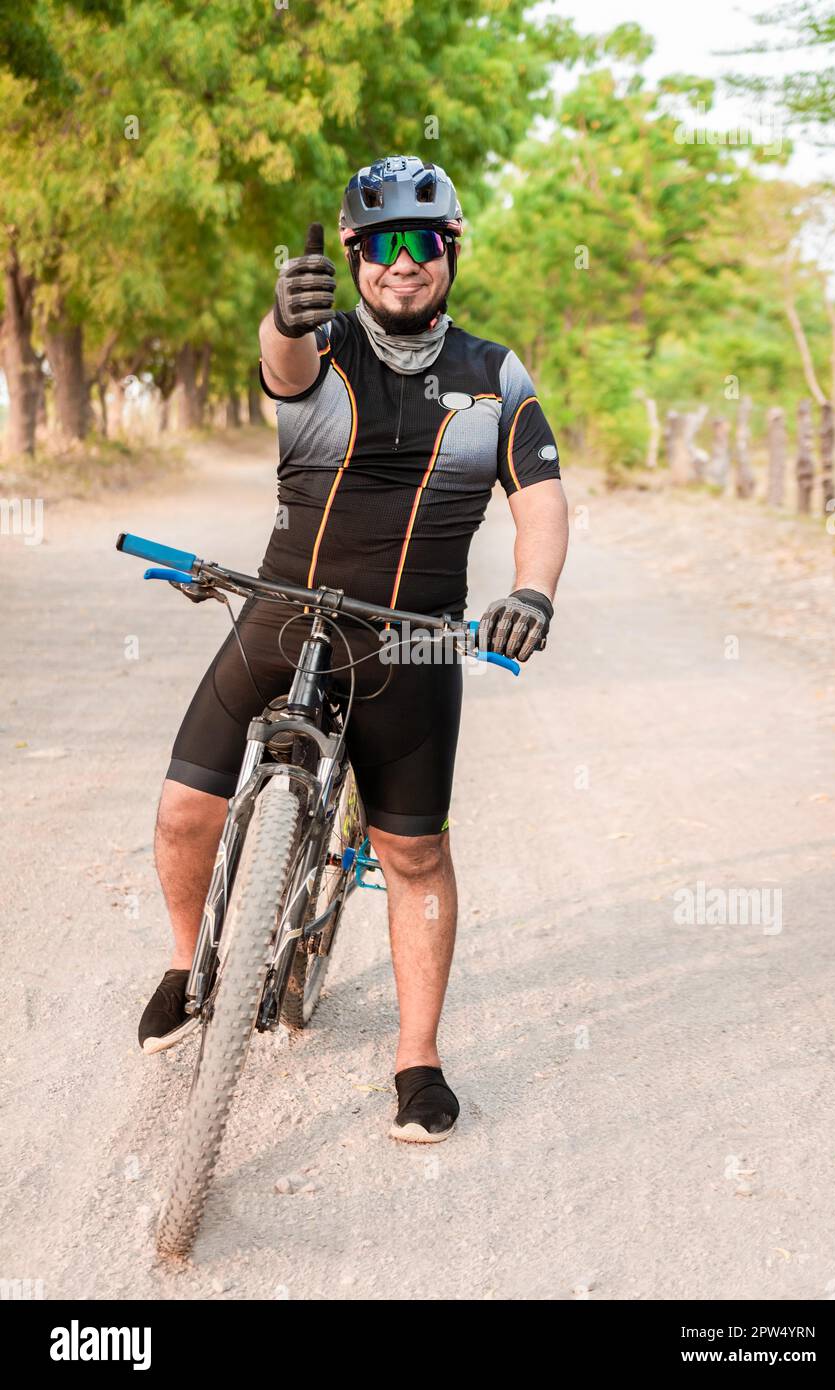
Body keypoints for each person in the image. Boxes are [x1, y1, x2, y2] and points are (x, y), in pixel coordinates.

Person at [139, 155, 570, 1142]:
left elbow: (539, 498)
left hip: (412, 643)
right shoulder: (322, 345)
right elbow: (281, 365)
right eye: (381, 244)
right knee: (180, 810)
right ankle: (184, 961)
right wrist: (282, 319)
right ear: (352, 256)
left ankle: (416, 1060)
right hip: (285, 609)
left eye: (422, 242)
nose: (401, 262)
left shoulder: (492, 374)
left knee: (413, 853)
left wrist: (533, 590)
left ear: (449, 252)